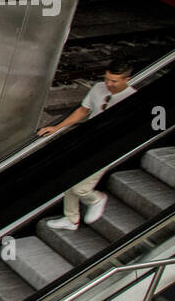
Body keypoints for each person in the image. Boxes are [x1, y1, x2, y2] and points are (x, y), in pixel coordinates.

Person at [40, 58, 136, 230]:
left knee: (80, 189)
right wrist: (57, 128)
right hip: (88, 140)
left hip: (108, 147)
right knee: (68, 177)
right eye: (107, 78)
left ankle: (97, 199)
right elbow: (83, 111)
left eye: (114, 81)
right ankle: (71, 219)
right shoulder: (99, 88)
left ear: (126, 80)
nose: (108, 83)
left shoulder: (132, 99)